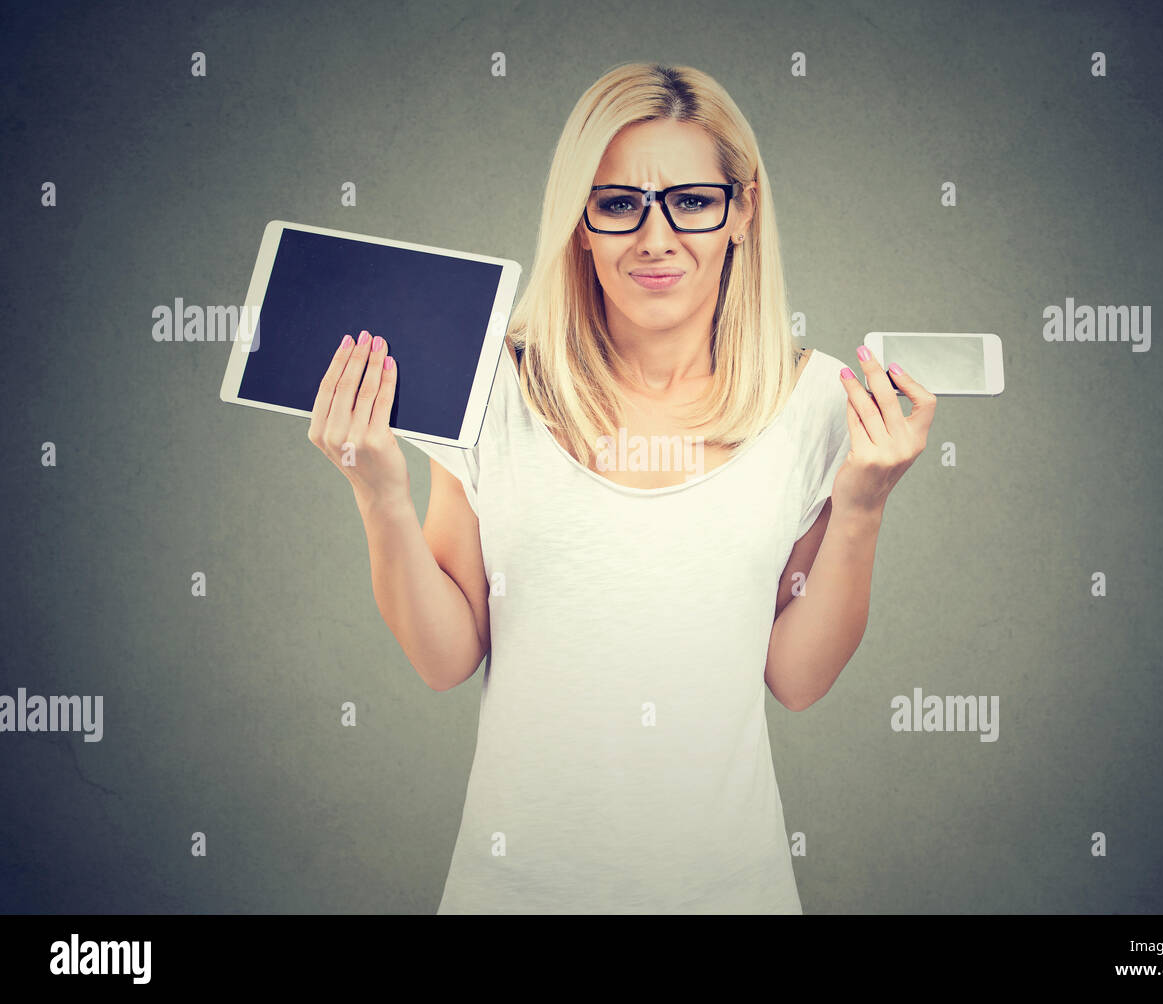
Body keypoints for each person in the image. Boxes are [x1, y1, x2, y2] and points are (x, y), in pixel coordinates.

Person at [308, 61, 935, 913]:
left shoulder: (816, 402)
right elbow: (444, 656)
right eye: (617, 204)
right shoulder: (492, 387)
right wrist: (377, 495)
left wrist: (861, 508)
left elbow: (797, 678)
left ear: (743, 211)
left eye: (692, 201)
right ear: (580, 222)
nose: (656, 237)